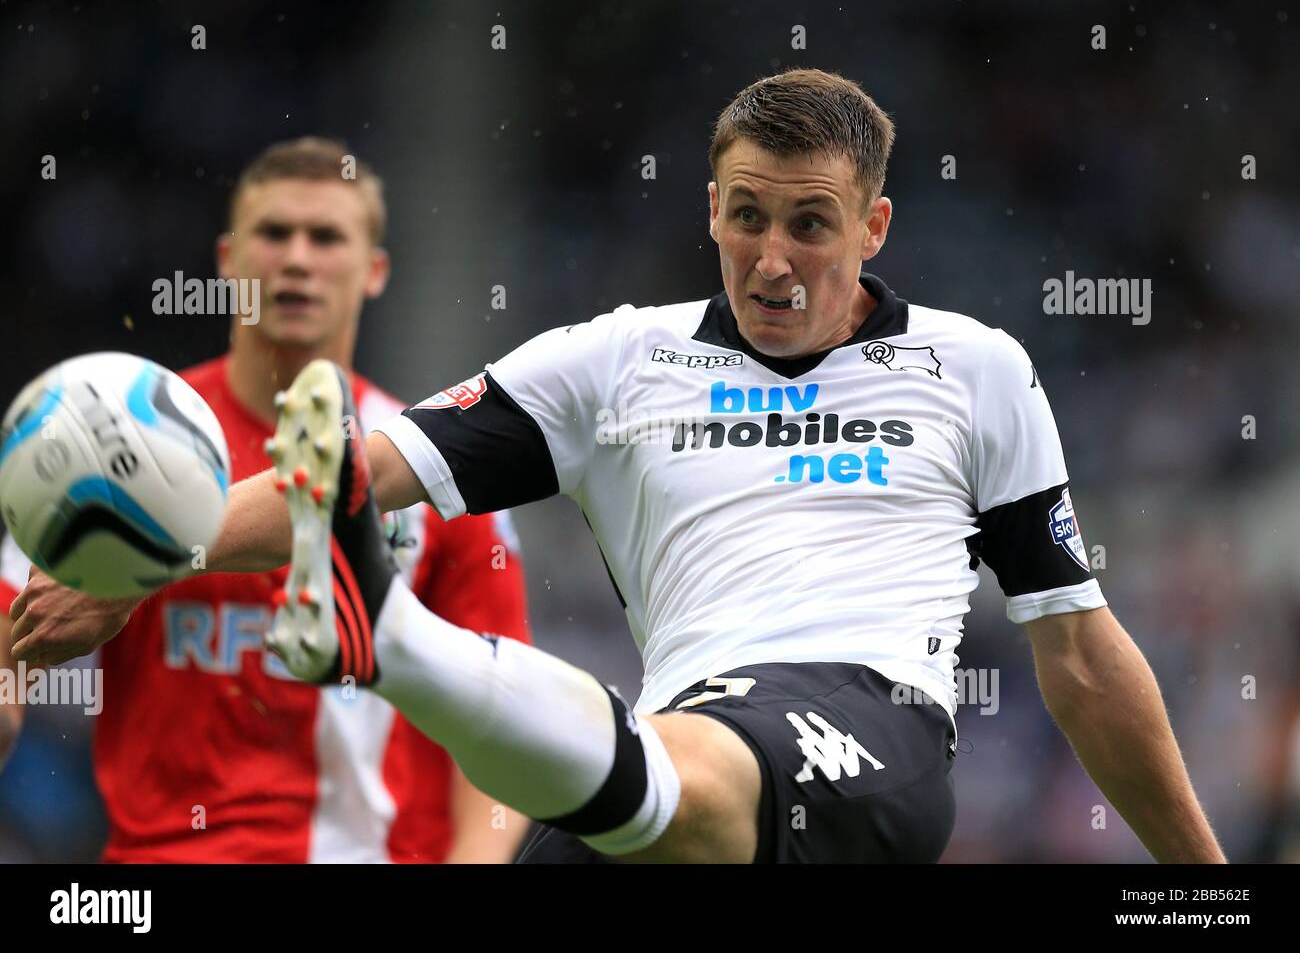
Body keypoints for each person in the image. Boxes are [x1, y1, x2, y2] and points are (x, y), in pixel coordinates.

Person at [10, 72, 1226, 863]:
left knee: (695, 777)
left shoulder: (974, 368)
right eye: (746, 215)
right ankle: (383, 624)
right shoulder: (613, 362)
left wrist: (1204, 883)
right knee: (640, 793)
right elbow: (353, 478)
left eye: (811, 222)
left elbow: (1073, 643)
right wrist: (156, 559)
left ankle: (386, 630)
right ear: (709, 207)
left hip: (872, 734)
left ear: (874, 227)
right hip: (665, 741)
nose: (772, 257)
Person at [0, 138, 531, 863]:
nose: (299, 259)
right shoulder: (111, 436)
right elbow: (9, 660)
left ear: (374, 271)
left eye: (327, 237)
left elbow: (501, 717)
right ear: (227, 261)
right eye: (275, 233)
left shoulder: (432, 468)